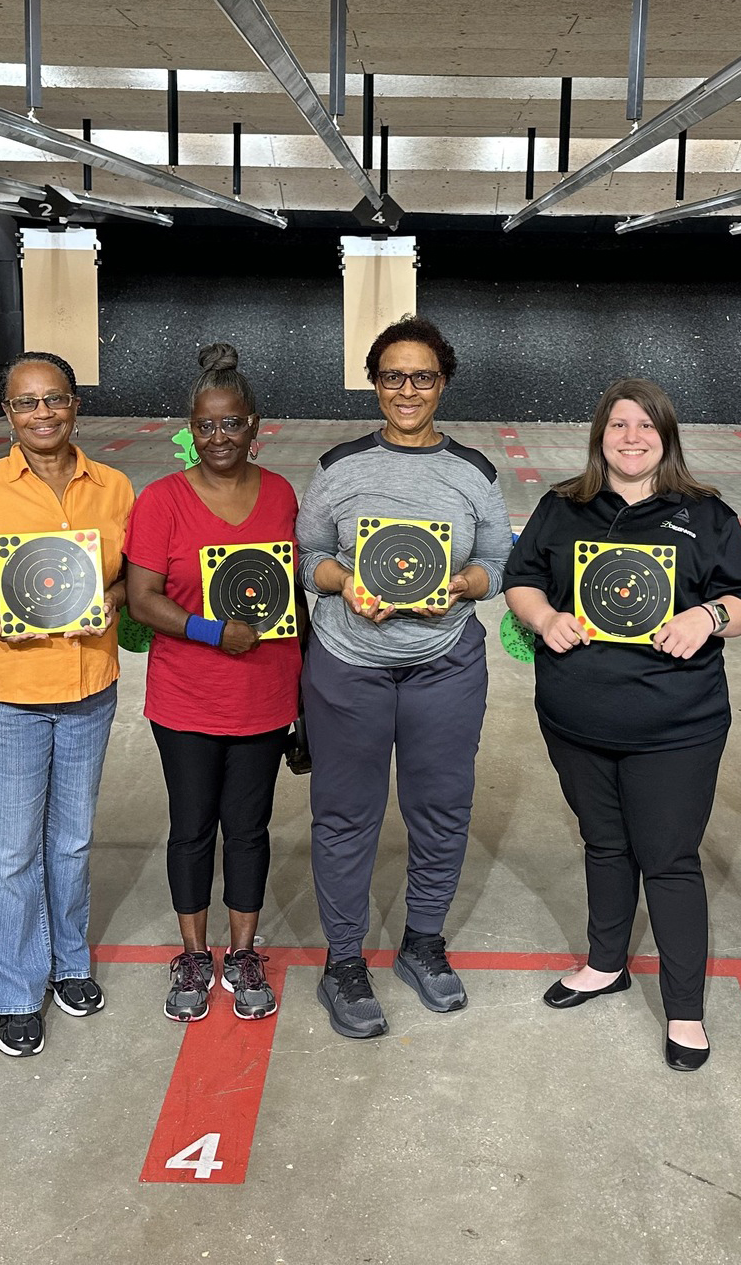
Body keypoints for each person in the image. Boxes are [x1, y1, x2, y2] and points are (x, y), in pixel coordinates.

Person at [505, 380, 741, 1071]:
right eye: (619, 424)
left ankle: (685, 1010)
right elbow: (521, 578)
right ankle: (605, 963)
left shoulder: (704, 513)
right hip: (575, 719)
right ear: (600, 435)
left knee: (669, 860)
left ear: (666, 437)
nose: (631, 437)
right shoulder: (562, 505)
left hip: (676, 727)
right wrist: (544, 617)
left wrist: (706, 616)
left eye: (646, 426)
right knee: (603, 842)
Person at [294, 315, 511, 1039]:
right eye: (393, 376)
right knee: (345, 816)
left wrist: (464, 585)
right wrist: (344, 582)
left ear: (442, 384)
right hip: (349, 664)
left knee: (442, 810)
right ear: (375, 383)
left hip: (444, 664)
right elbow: (308, 557)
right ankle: (343, 962)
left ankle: (423, 942)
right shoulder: (339, 467)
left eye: (422, 376)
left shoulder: (474, 472)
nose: (407, 390)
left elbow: (498, 563)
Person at [0, 351, 134, 1059]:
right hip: (4, 694)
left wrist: (106, 602)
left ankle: (69, 962)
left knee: (71, 841)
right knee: (12, 851)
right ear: (7, 414)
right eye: (26, 403)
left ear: (76, 404)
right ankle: (17, 991)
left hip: (88, 685)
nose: (42, 413)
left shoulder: (113, 487)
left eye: (55, 399)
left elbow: (128, 578)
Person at [123, 344, 302, 1023]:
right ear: (190, 429)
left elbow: (294, 594)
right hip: (187, 698)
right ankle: (195, 955)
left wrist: (308, 694)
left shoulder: (281, 494)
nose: (218, 436)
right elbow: (142, 599)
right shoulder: (161, 500)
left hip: (265, 695)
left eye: (231, 423)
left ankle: (243, 952)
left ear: (255, 425)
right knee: (193, 827)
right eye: (205, 425)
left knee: (249, 829)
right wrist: (210, 630)